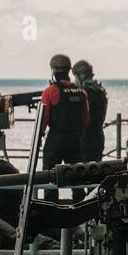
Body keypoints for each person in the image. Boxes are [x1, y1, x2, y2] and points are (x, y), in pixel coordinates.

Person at [40, 54, 89, 203]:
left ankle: (51, 209)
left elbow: (44, 119)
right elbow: (86, 119)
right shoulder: (81, 92)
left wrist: (41, 134)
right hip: (75, 139)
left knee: (50, 176)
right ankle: (80, 209)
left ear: (54, 70)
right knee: (77, 177)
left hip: (56, 138)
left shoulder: (50, 92)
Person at [73, 60, 108, 162]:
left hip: (86, 139)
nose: (75, 80)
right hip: (98, 135)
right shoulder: (99, 89)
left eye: (75, 77)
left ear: (80, 75)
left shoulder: (86, 92)